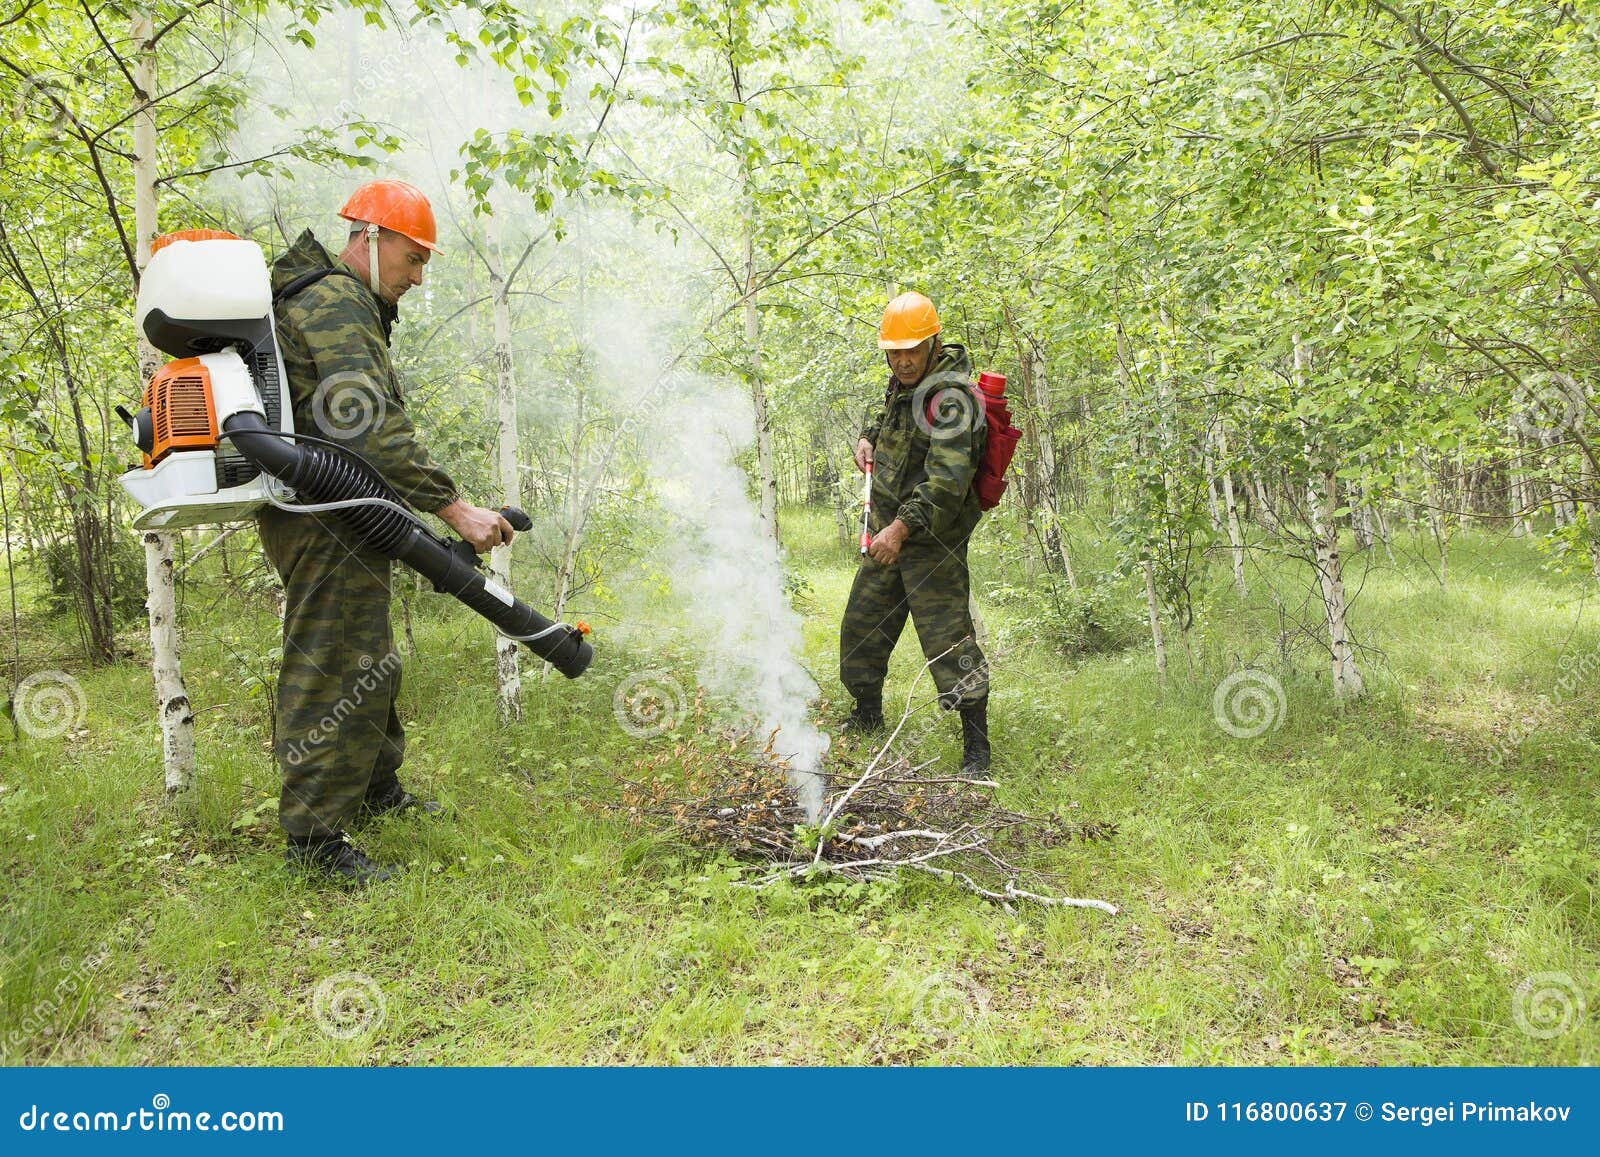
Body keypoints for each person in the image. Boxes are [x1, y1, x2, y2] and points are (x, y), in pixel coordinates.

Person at [261, 179, 513, 884]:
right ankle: (312, 841)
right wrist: (453, 507)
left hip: (342, 510)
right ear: (369, 239)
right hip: (320, 515)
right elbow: (363, 418)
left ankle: (375, 791)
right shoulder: (337, 297)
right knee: (331, 662)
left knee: (370, 657)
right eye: (413, 257)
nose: (418, 276)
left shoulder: (338, 297)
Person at [839, 291, 991, 775]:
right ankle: (865, 717)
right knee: (861, 631)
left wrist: (901, 529)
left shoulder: (952, 400)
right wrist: (867, 435)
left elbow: (946, 482)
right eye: (894, 351)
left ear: (933, 342)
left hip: (930, 542)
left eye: (911, 350)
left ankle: (977, 749)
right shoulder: (903, 383)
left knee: (951, 644)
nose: (902, 361)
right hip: (887, 537)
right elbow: (888, 415)